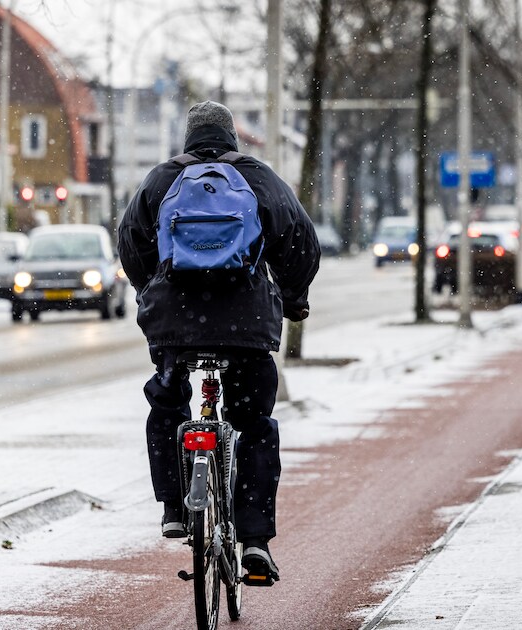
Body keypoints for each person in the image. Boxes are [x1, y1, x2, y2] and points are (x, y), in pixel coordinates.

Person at [117, 101, 320, 586]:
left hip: (175, 320)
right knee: (253, 421)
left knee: (167, 400)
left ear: (187, 138)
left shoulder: (161, 180)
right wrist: (292, 300)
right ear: (233, 138)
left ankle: (172, 505)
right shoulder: (258, 179)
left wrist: (153, 291)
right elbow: (301, 244)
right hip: (245, 322)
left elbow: (129, 243)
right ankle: (253, 540)